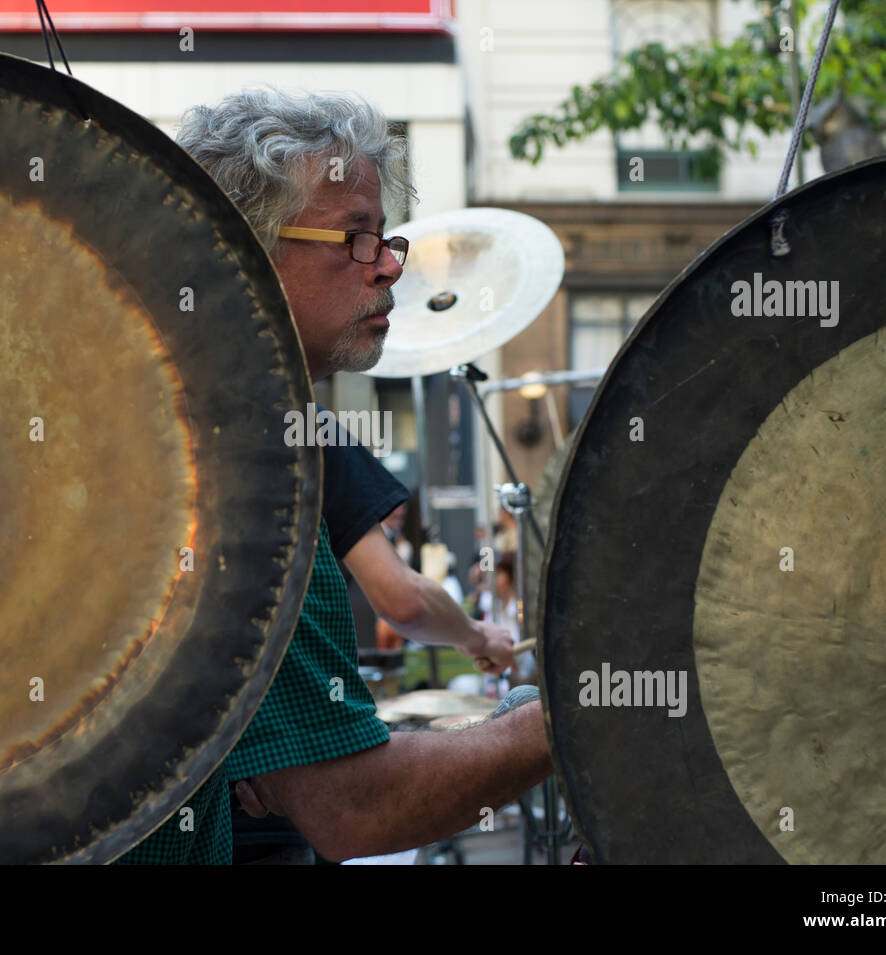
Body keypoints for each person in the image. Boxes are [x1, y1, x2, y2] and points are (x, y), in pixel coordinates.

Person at [116, 88, 553, 864]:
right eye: (356, 238)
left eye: (387, 239)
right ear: (240, 246)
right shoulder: (237, 461)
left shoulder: (161, 403)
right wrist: (569, 717)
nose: (388, 266)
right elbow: (353, 806)